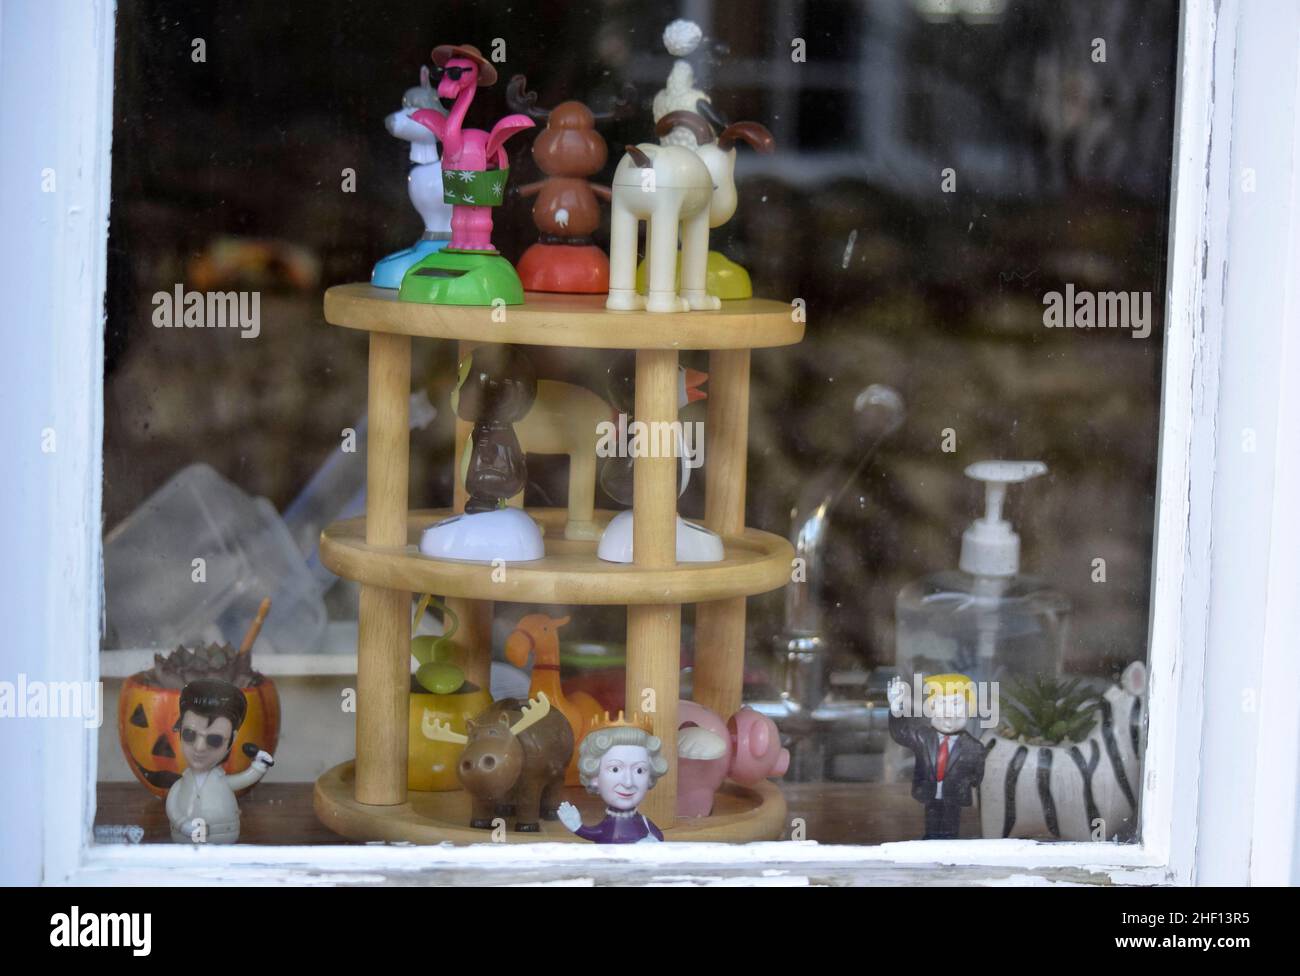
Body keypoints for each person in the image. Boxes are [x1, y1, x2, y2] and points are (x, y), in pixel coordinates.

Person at [165, 679, 274, 844]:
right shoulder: (180, 786)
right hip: (184, 839)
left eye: (214, 740)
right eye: (189, 734)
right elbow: (171, 807)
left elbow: (244, 779)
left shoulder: (221, 781)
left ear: (233, 739)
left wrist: (259, 766)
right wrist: (181, 823)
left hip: (223, 838)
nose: (199, 747)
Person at [888, 673, 985, 840]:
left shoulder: (974, 747)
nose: (948, 712)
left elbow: (976, 777)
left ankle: (949, 843)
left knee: (950, 827)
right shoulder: (924, 738)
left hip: (954, 796)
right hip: (929, 792)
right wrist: (896, 708)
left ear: (969, 709)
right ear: (931, 708)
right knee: (932, 824)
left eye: (956, 704)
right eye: (941, 703)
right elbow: (901, 733)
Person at [556, 725, 668, 843]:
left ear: (649, 777)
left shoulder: (644, 822)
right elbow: (596, 833)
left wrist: (652, 841)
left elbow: (658, 836)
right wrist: (577, 827)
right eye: (615, 769)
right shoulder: (609, 825)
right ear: (595, 776)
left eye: (639, 770)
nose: (628, 782)